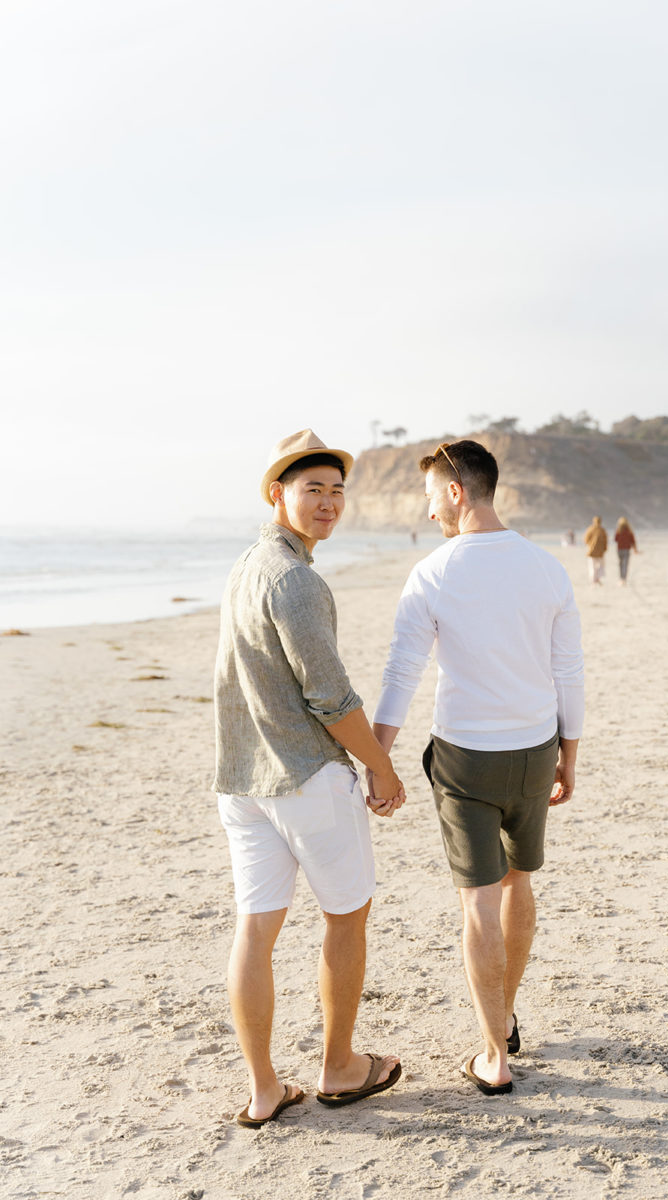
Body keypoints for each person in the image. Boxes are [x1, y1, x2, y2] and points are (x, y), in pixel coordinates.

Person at [371, 440, 584, 1096]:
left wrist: (376, 757)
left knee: (478, 903)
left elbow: (404, 670)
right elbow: (568, 669)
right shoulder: (548, 567)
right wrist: (569, 753)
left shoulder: (435, 572)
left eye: (432, 491)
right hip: (534, 750)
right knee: (518, 885)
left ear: (458, 491)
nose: (428, 504)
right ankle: (507, 1014)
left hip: (465, 757)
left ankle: (495, 1053)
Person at [214, 429, 404, 1128]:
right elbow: (331, 698)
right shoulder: (296, 580)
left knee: (254, 933)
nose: (328, 502)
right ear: (277, 495)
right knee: (346, 917)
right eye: (311, 490)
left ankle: (265, 1090)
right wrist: (379, 768)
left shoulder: (244, 567)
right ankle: (339, 1067)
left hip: (241, 781)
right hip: (304, 776)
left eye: (335, 490)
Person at [583, 516, 607, 584]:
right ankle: (597, 578)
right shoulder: (602, 530)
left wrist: (590, 545)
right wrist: (604, 548)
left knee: (592, 566)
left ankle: (594, 579)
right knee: (600, 565)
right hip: (600, 552)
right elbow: (605, 541)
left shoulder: (590, 529)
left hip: (592, 551)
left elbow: (586, 539)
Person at [614, 517, 638, 585]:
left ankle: (621, 578)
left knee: (620, 564)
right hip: (626, 549)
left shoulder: (618, 530)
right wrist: (635, 549)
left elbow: (615, 539)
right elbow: (633, 541)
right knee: (625, 565)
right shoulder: (629, 531)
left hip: (619, 549)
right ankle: (624, 579)